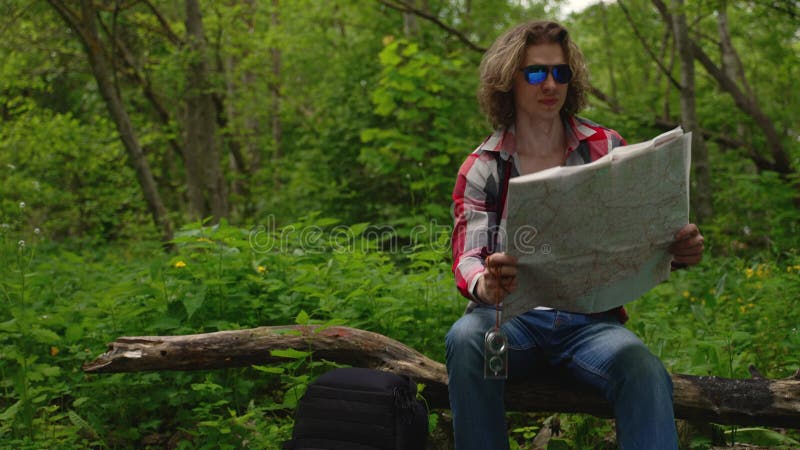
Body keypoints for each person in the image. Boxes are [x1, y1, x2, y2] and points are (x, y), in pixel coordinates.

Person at [447, 20, 704, 450]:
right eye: (535, 73)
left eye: (560, 73)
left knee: (642, 369)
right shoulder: (483, 166)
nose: (550, 83)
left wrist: (677, 248)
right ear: (508, 80)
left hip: (591, 323)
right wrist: (485, 283)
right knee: (466, 338)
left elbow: (642, 229)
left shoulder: (608, 147)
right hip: (511, 322)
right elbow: (469, 255)